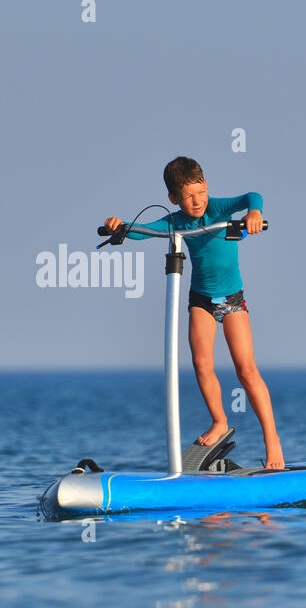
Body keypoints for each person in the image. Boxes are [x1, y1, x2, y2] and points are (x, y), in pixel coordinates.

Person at [104, 156, 284, 469]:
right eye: (188, 197)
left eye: (200, 192)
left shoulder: (218, 208)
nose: (197, 201)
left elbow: (251, 197)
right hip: (201, 300)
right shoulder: (177, 221)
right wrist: (121, 227)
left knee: (245, 370)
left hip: (233, 300)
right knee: (201, 364)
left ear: (206, 186)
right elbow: (144, 230)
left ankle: (273, 441)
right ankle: (219, 421)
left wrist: (254, 213)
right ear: (174, 198)